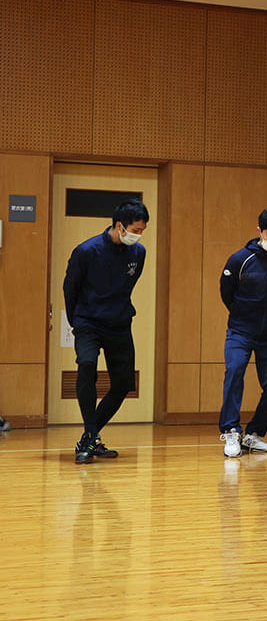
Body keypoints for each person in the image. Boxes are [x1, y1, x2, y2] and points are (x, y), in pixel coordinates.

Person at [63, 199, 149, 464]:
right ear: (119, 226)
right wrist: (76, 321)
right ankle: (90, 435)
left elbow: (128, 286)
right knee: (87, 365)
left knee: (123, 385)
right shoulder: (87, 250)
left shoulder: (139, 253)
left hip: (120, 324)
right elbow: (70, 288)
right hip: (88, 322)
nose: (138, 235)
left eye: (142, 230)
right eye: (135, 229)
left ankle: (90, 437)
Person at [217, 207, 267, 457]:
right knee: (234, 371)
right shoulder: (240, 260)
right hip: (240, 331)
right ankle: (231, 431)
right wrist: (243, 314)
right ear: (259, 232)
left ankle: (253, 434)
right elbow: (226, 293)